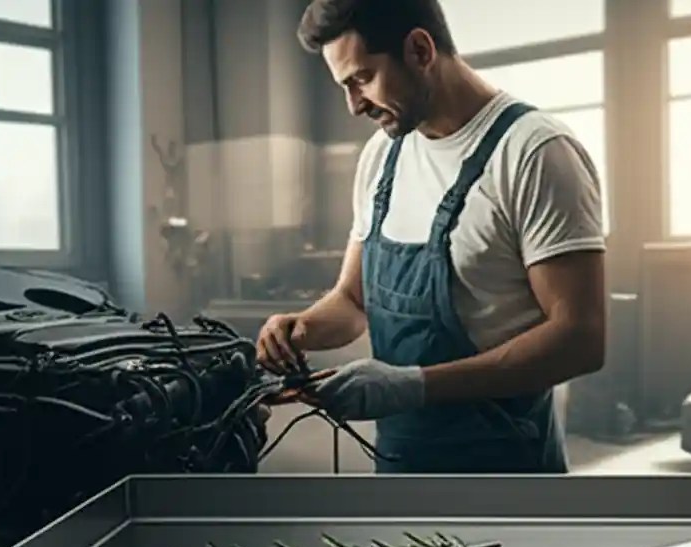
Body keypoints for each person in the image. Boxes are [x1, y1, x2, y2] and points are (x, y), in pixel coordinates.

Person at [257, 0, 606, 474]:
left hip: (506, 473)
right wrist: (299, 329)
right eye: (345, 86)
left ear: (420, 50)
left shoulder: (534, 153)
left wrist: (415, 385)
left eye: (362, 79)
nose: (354, 105)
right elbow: (354, 301)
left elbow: (580, 338)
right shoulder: (382, 156)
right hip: (402, 464)